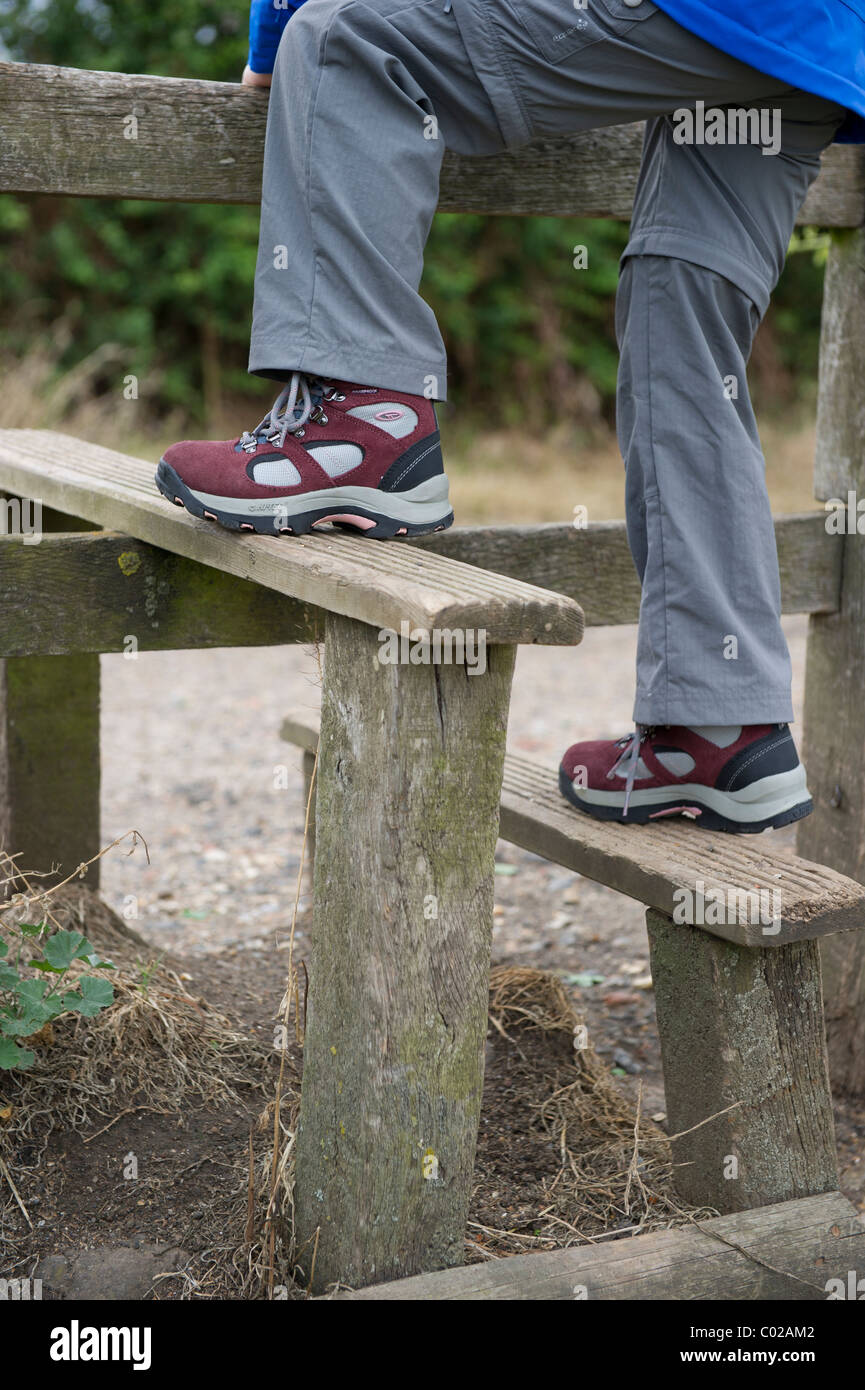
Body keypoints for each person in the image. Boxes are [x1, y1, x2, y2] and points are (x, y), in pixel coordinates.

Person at [156, 0, 865, 834]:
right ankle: (722, 721)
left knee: (347, 38)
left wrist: (276, 35)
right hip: (810, 44)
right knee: (679, 322)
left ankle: (365, 422)